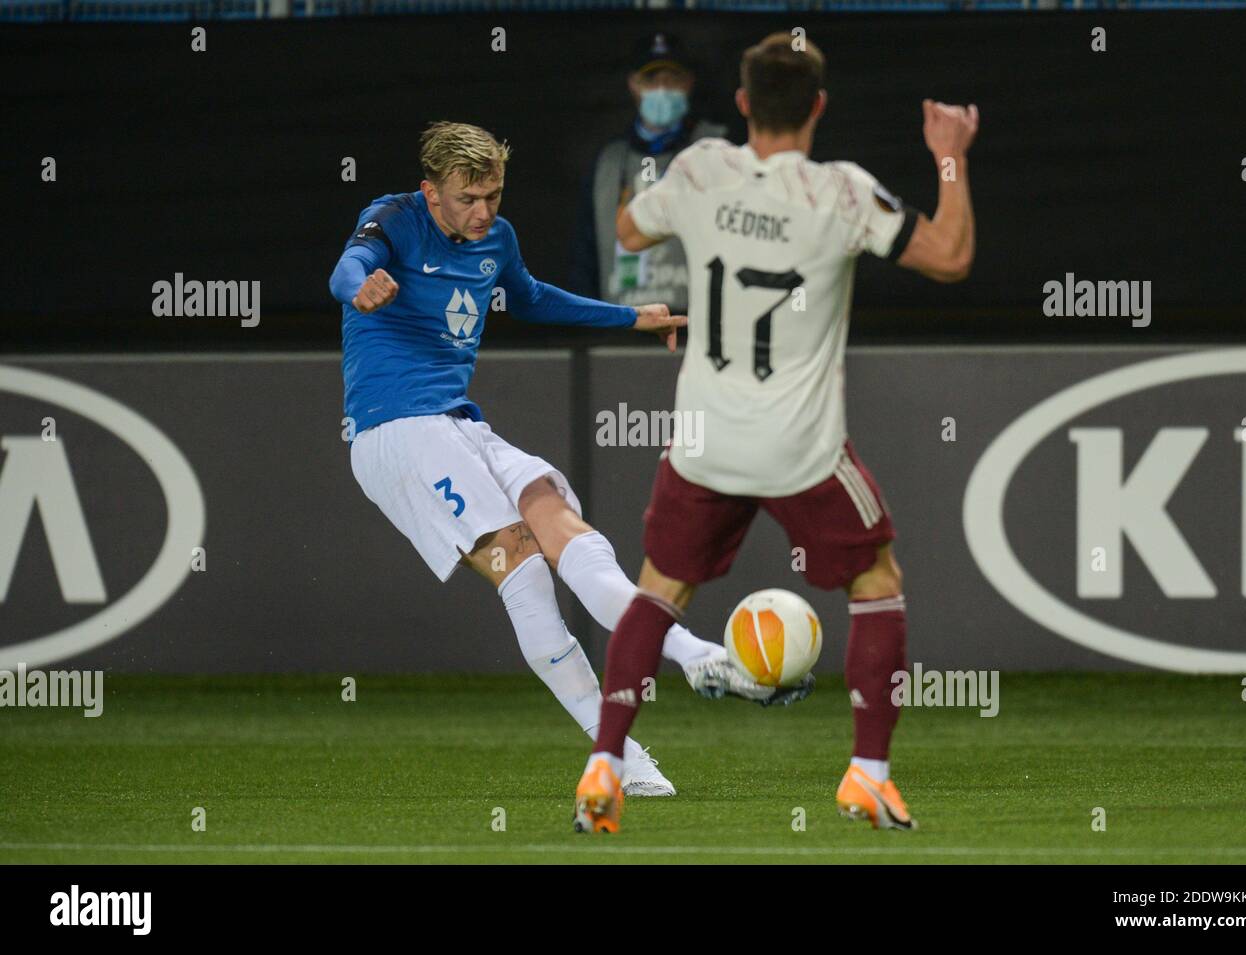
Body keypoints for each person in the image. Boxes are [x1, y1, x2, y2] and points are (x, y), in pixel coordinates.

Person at [573, 32, 978, 832]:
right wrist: (950, 156)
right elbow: (952, 254)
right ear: (819, 108)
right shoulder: (842, 192)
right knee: (876, 583)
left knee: (659, 590)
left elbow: (625, 232)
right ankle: (867, 773)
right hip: (799, 447)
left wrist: (697, 203)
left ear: (745, 104)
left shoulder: (700, 169)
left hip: (705, 439)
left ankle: (605, 762)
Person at [328, 122, 800, 799]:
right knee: (524, 575)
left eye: (493, 193)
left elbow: (534, 298)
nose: (484, 210)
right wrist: (358, 287)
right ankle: (624, 754)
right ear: (432, 193)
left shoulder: (497, 236)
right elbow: (346, 266)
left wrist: (632, 318)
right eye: (468, 197)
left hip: (461, 425)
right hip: (394, 433)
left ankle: (699, 659)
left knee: (567, 531)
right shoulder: (394, 219)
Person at [570, 33, 727, 315]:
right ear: (633, 85)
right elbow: (584, 258)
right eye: (652, 80)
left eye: (672, 79)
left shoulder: (717, 151)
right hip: (620, 329)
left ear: (689, 83)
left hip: (697, 327)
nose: (662, 89)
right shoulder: (607, 162)